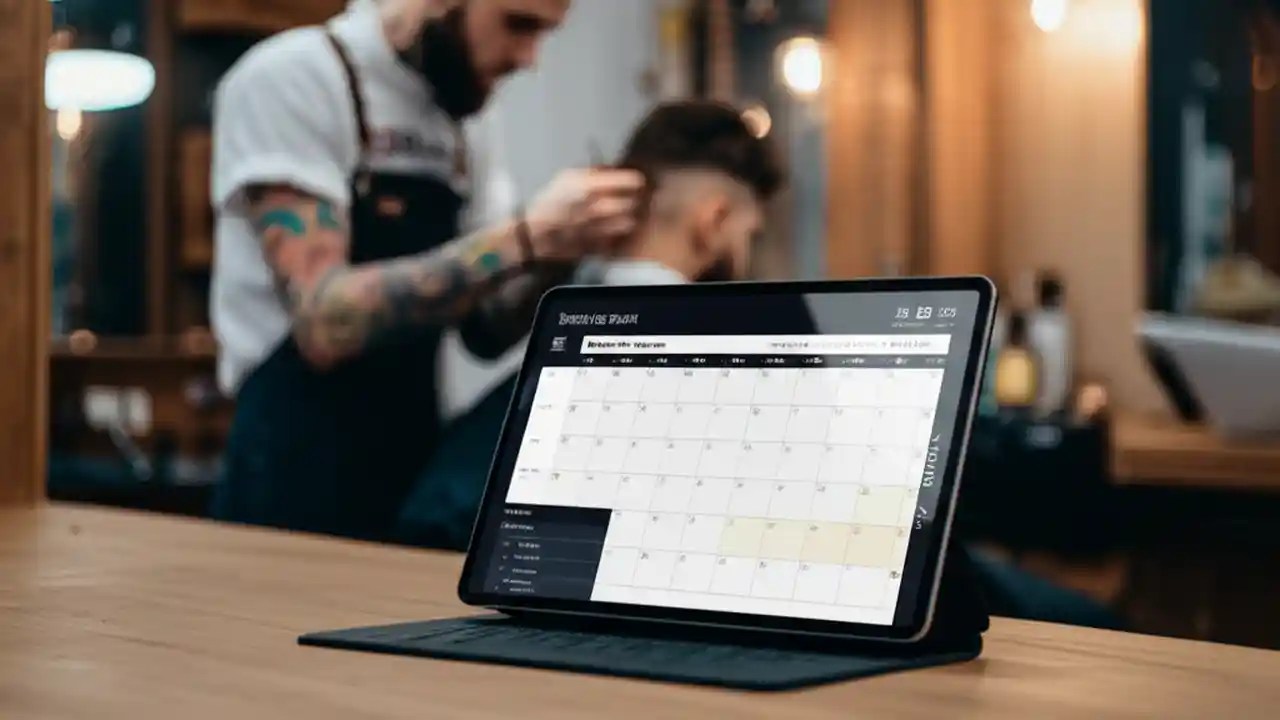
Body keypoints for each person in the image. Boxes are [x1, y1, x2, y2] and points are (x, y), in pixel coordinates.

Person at [208, 0, 646, 542]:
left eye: (544, 34)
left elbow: (483, 331)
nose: (529, 58)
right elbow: (324, 321)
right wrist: (526, 236)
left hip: (408, 455)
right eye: (517, 24)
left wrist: (558, 252)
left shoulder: (469, 119)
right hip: (288, 469)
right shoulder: (297, 78)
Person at [398, 100, 785, 549]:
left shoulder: (563, 322)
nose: (746, 250)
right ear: (713, 218)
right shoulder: (705, 358)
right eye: (749, 234)